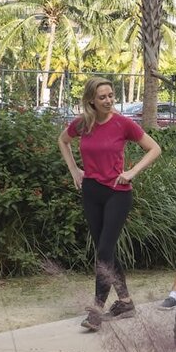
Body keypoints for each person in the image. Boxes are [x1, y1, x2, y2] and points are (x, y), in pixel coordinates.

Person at [58, 76, 162, 331]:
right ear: (91, 100)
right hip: (91, 191)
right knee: (106, 251)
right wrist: (74, 170)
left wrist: (132, 172)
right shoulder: (82, 124)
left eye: (111, 96)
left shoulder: (123, 123)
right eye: (102, 97)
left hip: (118, 192)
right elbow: (62, 141)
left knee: (104, 250)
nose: (108, 100)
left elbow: (154, 148)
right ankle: (125, 302)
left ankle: (97, 309)